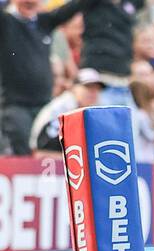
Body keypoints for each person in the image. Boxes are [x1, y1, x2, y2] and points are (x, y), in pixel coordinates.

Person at [0, 0, 90, 155]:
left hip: (45, 105)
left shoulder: (44, 22)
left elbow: (71, 7)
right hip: (15, 105)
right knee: (23, 153)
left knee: (47, 150)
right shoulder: (6, 22)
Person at [29, 68, 105, 154]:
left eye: (97, 89)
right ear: (74, 88)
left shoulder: (96, 110)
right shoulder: (61, 108)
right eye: (88, 87)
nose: (93, 92)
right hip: (46, 159)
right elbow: (42, 150)